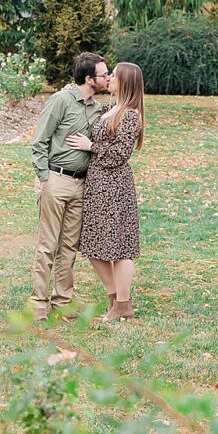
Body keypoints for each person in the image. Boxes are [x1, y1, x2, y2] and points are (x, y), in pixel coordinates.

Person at [28, 51, 109, 319]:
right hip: (56, 180)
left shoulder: (98, 108)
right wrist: (44, 178)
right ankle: (38, 302)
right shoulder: (60, 101)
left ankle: (62, 302)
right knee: (47, 245)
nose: (108, 78)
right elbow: (39, 141)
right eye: (104, 74)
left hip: (81, 185)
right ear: (89, 79)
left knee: (69, 248)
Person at [68, 61, 144, 323]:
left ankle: (123, 303)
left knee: (120, 246)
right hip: (97, 184)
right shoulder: (111, 109)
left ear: (126, 82)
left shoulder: (131, 115)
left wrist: (91, 146)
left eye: (114, 75)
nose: (109, 78)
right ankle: (114, 299)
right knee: (93, 244)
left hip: (115, 186)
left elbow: (120, 155)